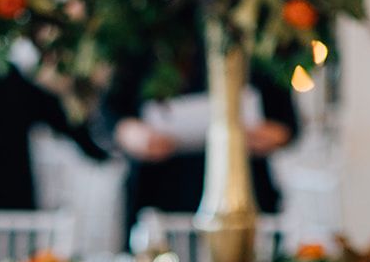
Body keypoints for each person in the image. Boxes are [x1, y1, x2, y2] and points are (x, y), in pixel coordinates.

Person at [105, 35, 298, 242]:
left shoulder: (255, 35)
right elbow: (109, 114)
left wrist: (268, 135)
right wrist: (132, 134)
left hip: (247, 194)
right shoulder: (142, 31)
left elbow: (287, 123)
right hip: (158, 192)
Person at [0, 42, 109, 210]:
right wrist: (95, 149)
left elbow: (51, 111)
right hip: (8, 197)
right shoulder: (5, 74)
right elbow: (54, 113)